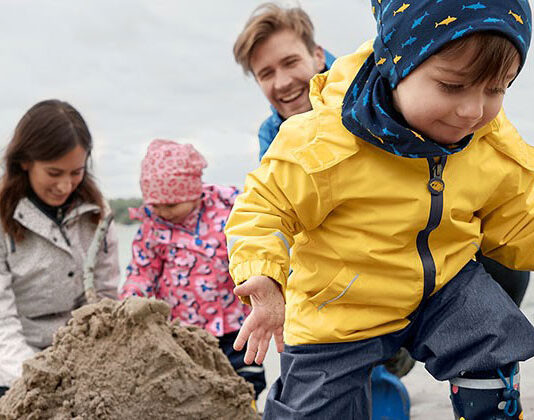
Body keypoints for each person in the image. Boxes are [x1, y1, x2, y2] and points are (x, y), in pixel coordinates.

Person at [225, 0, 534, 418]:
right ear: (396, 66)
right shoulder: (320, 138)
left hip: (442, 284)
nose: (472, 110)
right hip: (343, 299)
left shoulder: (488, 139)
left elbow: (519, 216)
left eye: (496, 89)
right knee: (311, 408)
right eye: (452, 86)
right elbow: (262, 205)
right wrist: (263, 274)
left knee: (491, 331)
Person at [119, 139, 266, 401]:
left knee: (246, 382)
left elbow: (253, 250)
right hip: (184, 329)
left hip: (235, 324)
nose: (163, 212)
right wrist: (133, 297)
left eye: (171, 205)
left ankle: (245, 411)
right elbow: (143, 271)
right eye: (156, 205)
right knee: (189, 388)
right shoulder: (153, 227)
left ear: (193, 192)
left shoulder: (228, 214)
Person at [0, 99, 120, 398]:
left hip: (78, 349)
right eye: (54, 173)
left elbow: (104, 294)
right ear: (25, 161)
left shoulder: (97, 213)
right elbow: (2, 321)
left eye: (75, 172)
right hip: (13, 359)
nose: (65, 186)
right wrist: (36, 378)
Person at [233, 3, 335, 161]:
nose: (282, 83)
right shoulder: (270, 135)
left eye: (290, 62)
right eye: (266, 74)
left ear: (318, 57)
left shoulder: (369, 100)